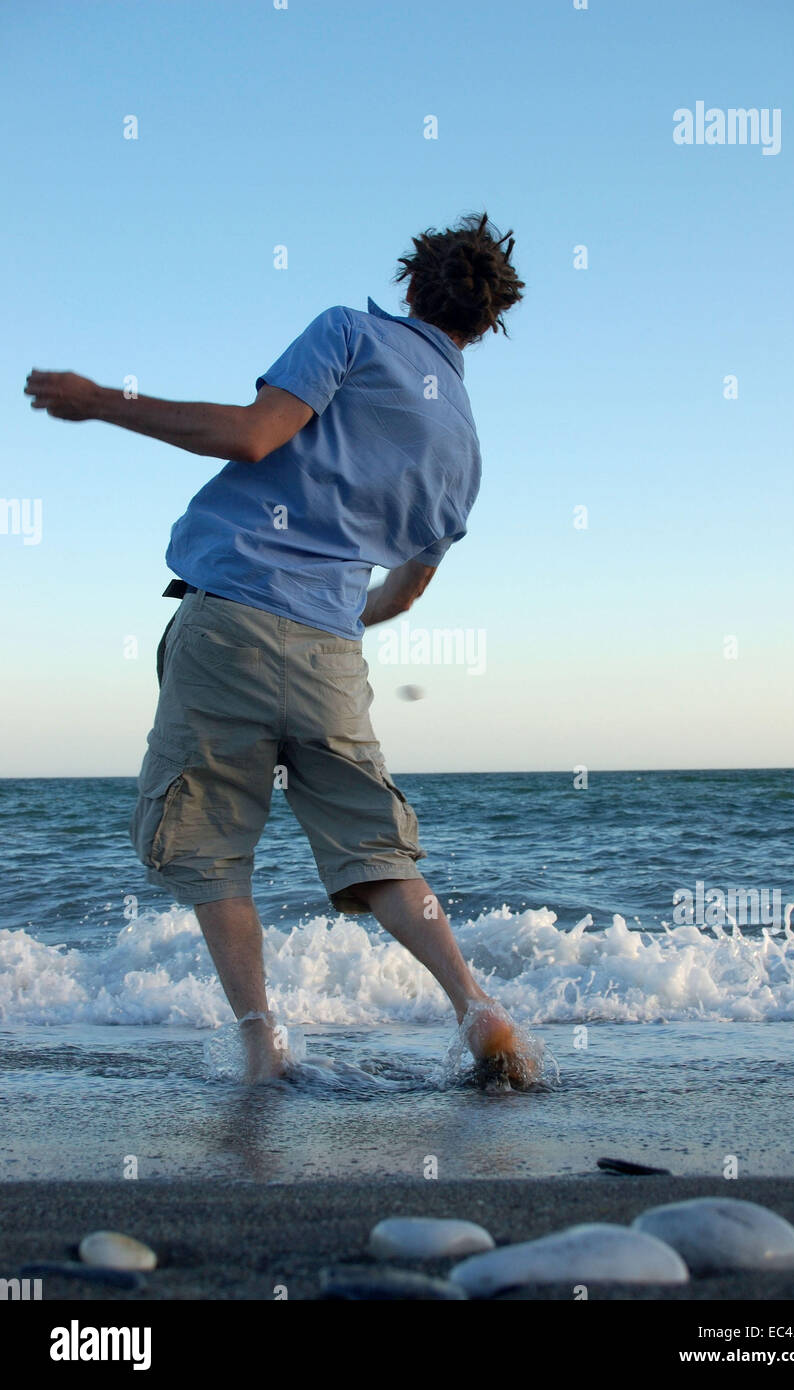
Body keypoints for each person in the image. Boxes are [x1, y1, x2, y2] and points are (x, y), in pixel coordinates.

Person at [24, 212, 535, 1085]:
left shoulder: (351, 331)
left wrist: (103, 401)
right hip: (332, 655)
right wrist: (332, 625)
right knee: (377, 850)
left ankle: (262, 1041)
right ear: (484, 323)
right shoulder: (465, 449)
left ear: (414, 284)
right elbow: (408, 590)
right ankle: (475, 1003)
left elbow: (253, 435)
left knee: (211, 840)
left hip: (230, 618)